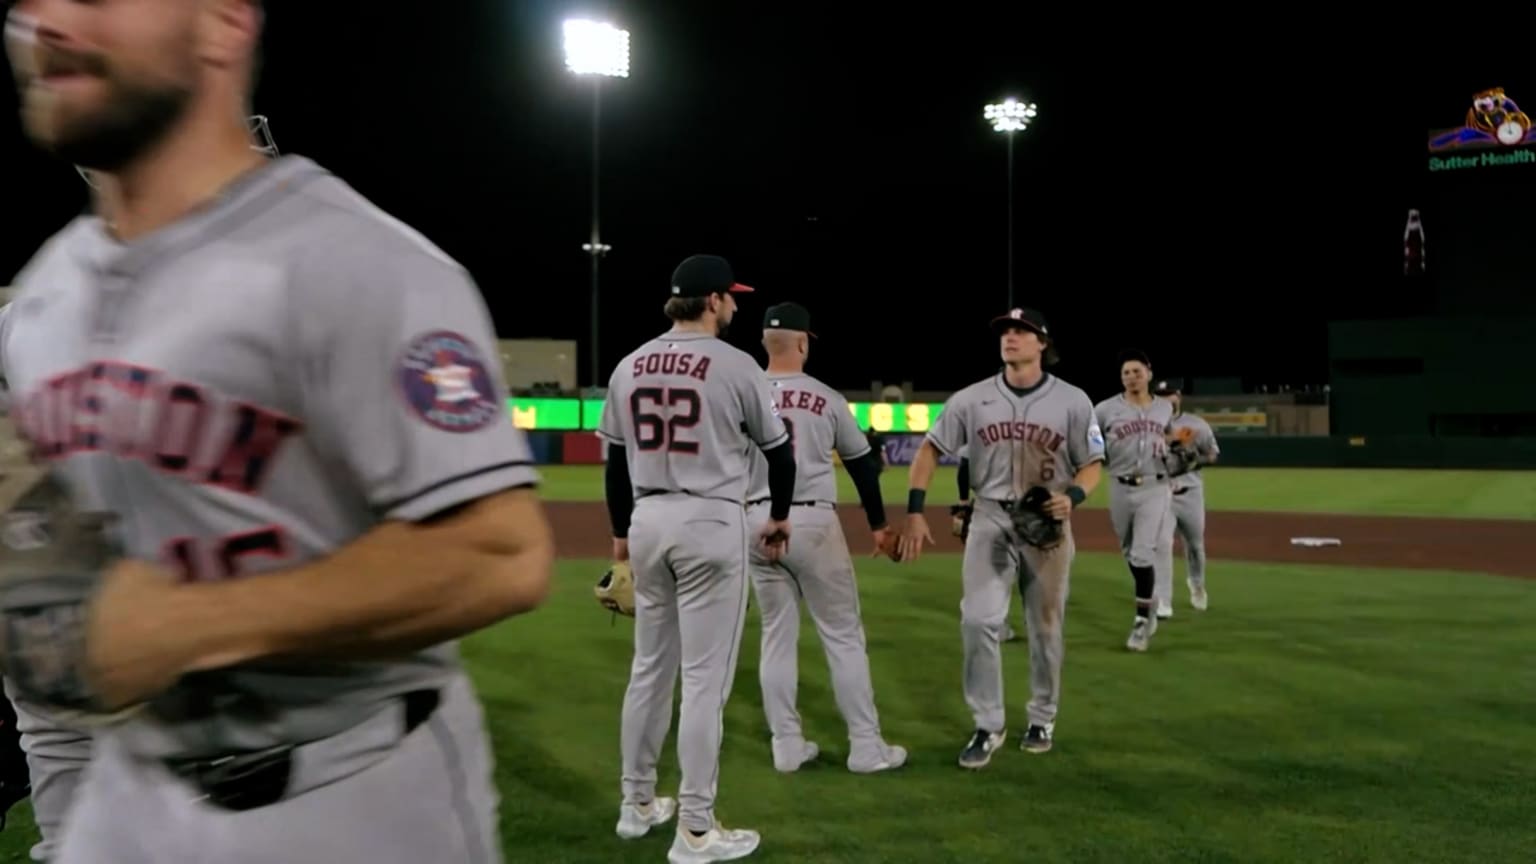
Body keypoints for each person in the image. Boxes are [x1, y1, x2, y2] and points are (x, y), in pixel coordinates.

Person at [2, 3, 556, 862]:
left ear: (222, 25)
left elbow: (497, 555)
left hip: (345, 793)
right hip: (123, 788)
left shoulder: (360, 263)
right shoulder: (42, 298)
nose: (47, 22)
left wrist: (188, 623)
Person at [599, 254, 793, 863]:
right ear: (712, 301)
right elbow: (780, 454)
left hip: (648, 520)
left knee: (649, 671)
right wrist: (779, 516)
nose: (734, 304)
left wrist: (621, 537)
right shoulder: (736, 364)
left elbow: (615, 465)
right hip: (711, 520)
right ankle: (696, 830)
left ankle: (636, 805)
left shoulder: (629, 364)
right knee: (705, 683)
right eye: (731, 296)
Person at [898, 308, 1104, 767]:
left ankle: (1043, 717)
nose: (1010, 337)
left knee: (1045, 628)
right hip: (990, 517)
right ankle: (988, 724)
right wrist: (914, 510)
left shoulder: (1072, 400)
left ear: (1042, 343)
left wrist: (1073, 496)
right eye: (1006, 331)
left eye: (1021, 332)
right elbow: (929, 450)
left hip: (1047, 522)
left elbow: (1092, 464)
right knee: (977, 620)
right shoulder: (972, 399)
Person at [743, 302, 907, 775]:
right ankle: (866, 747)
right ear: (803, 342)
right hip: (810, 520)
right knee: (842, 636)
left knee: (776, 636)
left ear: (764, 342)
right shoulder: (825, 396)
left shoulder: (740, 395)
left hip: (754, 521)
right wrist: (879, 526)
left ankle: (786, 746)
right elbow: (862, 467)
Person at [1094, 350, 1176, 650]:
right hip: (1118, 485)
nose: (1131, 377)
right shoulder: (1105, 409)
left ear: (1149, 374)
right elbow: (1089, 440)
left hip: (1154, 486)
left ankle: (1142, 620)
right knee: (1130, 552)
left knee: (1142, 554)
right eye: (1126, 373)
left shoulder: (1164, 408)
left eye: (1137, 372)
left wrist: (1172, 448)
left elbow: (1171, 438)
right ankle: (1149, 599)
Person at [1152, 379, 1220, 613]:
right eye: (1160, 395)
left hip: (1190, 493)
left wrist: (1195, 460)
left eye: (1169, 394)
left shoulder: (1196, 425)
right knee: (1162, 545)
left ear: (1178, 397)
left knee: (1195, 546)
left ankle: (1197, 584)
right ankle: (1163, 599)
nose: (1165, 399)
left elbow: (1213, 454)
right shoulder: (1147, 425)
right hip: (1161, 493)